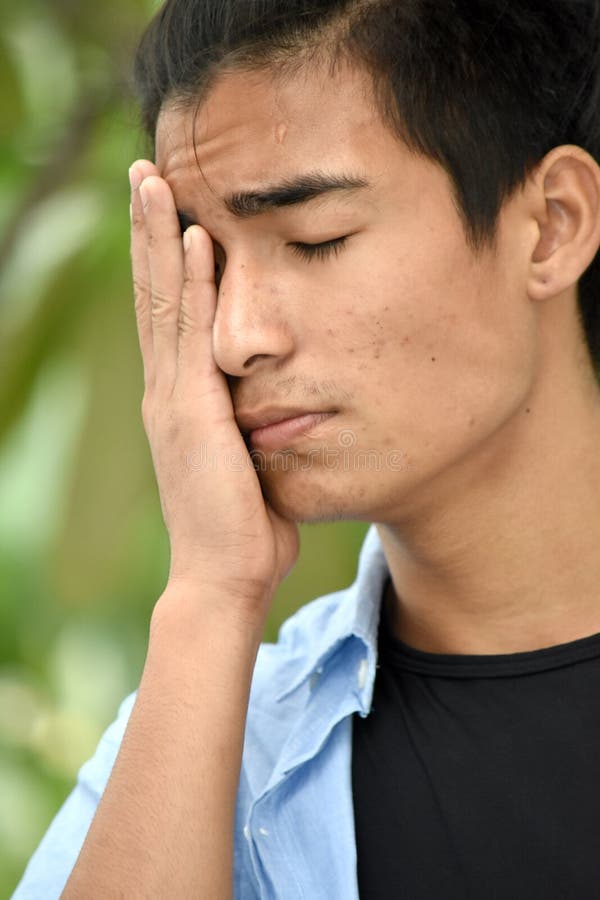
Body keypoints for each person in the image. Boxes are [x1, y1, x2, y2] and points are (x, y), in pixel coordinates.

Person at [12, 0, 600, 897]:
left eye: (314, 240)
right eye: (204, 262)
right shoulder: (217, 751)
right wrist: (210, 592)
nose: (235, 335)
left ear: (551, 224)